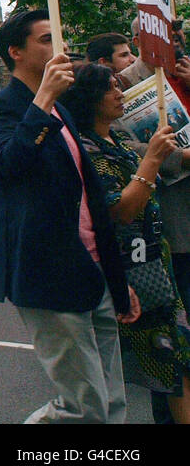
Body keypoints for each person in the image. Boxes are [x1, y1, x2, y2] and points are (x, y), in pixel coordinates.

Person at [0, 7, 139, 423]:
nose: (61, 47)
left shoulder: (64, 111)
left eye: (61, 37)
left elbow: (87, 193)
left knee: (112, 400)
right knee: (82, 407)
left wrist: (118, 280)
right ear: (15, 51)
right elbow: (6, 166)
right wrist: (44, 98)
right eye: (47, 39)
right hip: (47, 269)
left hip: (92, 264)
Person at [60, 64, 189, 422]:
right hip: (131, 272)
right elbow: (123, 210)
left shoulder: (116, 139)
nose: (120, 93)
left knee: (176, 366)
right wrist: (150, 162)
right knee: (168, 367)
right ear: (90, 99)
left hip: (155, 265)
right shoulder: (90, 151)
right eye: (110, 88)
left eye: (119, 85)